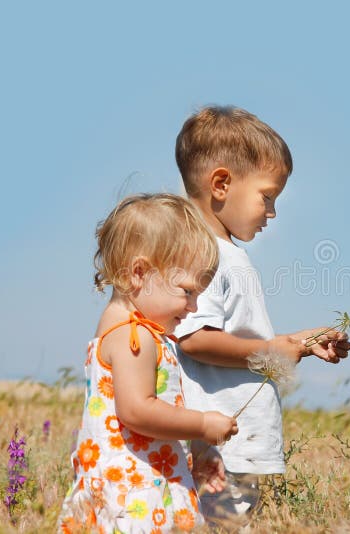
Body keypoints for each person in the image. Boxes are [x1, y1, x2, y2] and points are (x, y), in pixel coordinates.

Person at [173, 106, 350, 524]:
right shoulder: (206, 255)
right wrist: (271, 351)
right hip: (218, 441)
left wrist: (295, 344)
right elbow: (195, 338)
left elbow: (233, 333)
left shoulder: (219, 252)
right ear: (221, 184)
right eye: (267, 196)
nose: (271, 212)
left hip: (224, 437)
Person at [59, 193, 238, 533]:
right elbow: (138, 411)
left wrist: (196, 451)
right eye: (187, 291)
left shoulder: (137, 332)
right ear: (139, 273)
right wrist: (201, 426)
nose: (194, 306)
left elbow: (159, 410)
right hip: (134, 494)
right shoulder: (134, 337)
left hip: (144, 479)